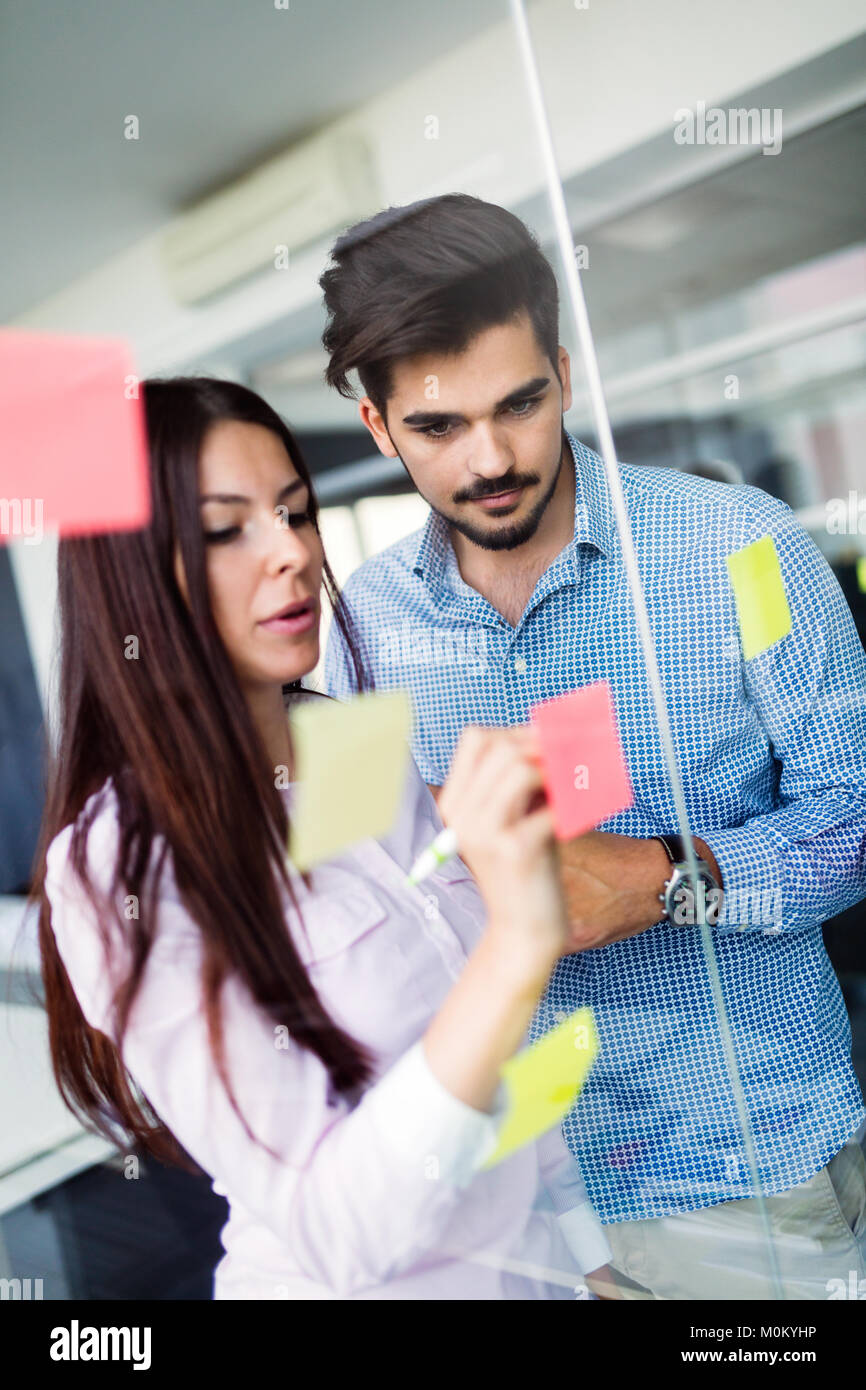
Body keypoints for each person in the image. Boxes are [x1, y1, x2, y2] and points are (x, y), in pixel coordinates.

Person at [319, 193, 866, 1299]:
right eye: (436, 427)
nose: (489, 459)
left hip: (743, 1169)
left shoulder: (739, 548)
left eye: (519, 404)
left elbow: (854, 818)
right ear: (377, 428)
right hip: (508, 1205)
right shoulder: (355, 630)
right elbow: (349, 894)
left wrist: (666, 875)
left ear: (563, 373)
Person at [33, 375, 614, 1301]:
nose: (293, 555)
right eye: (228, 530)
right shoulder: (122, 863)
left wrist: (589, 1260)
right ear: (132, 577)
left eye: (296, 514)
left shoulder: (351, 743)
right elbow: (342, 1237)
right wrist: (520, 938)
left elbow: (481, 1054)